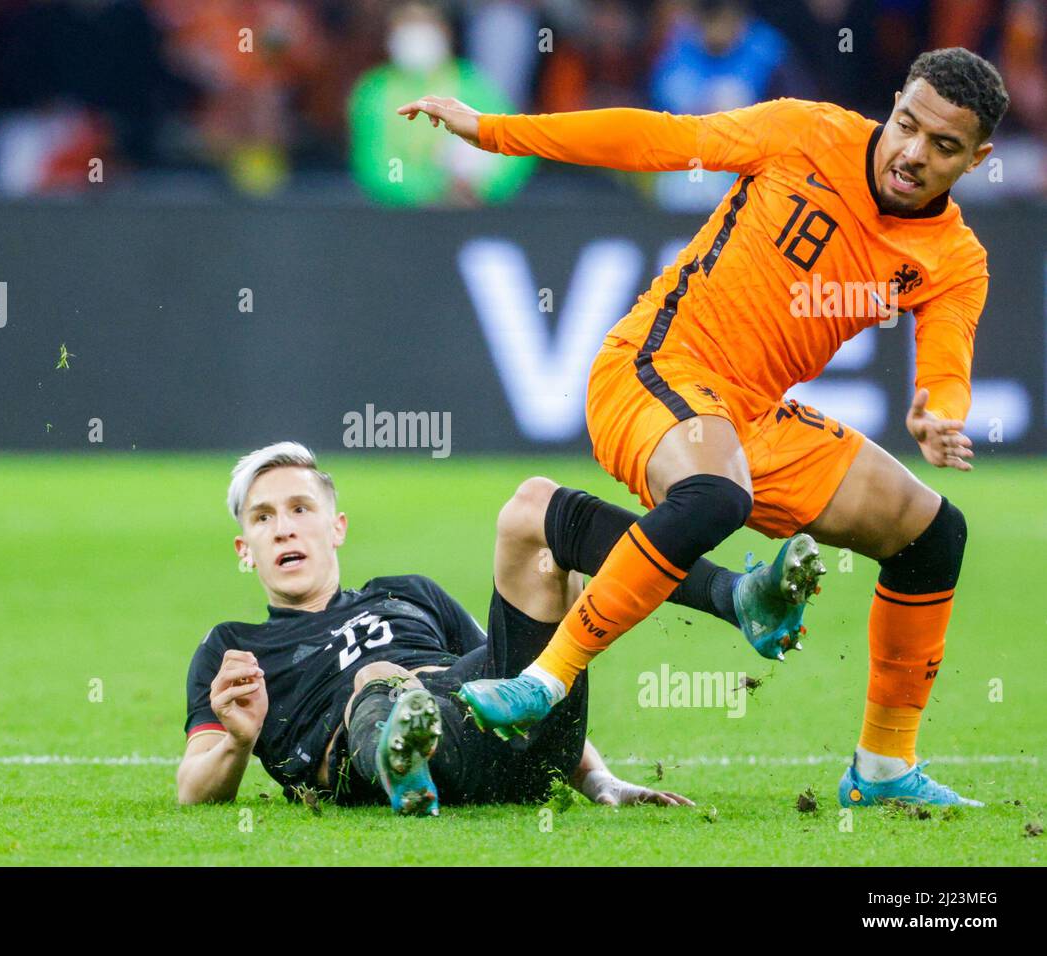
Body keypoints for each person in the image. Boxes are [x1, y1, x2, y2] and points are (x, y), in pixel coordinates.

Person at [397, 47, 1008, 808]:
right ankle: (544, 677)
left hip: (752, 415)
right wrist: (493, 130)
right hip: (654, 367)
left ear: (979, 159)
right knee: (717, 494)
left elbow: (946, 363)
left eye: (944, 146)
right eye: (908, 125)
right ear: (893, 103)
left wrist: (939, 412)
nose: (913, 153)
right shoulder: (801, 132)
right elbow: (657, 139)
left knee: (931, 533)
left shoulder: (954, 258)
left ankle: (883, 768)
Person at [177, 442, 818, 815]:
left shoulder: (408, 595)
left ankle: (736, 596)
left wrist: (599, 780)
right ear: (244, 547)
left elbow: (517, 675)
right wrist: (238, 742)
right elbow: (191, 791)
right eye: (263, 518)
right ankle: (405, 758)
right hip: (365, 761)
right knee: (382, 676)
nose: (284, 527)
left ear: (336, 526)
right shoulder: (232, 650)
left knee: (534, 512)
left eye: (299, 508)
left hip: (506, 735)